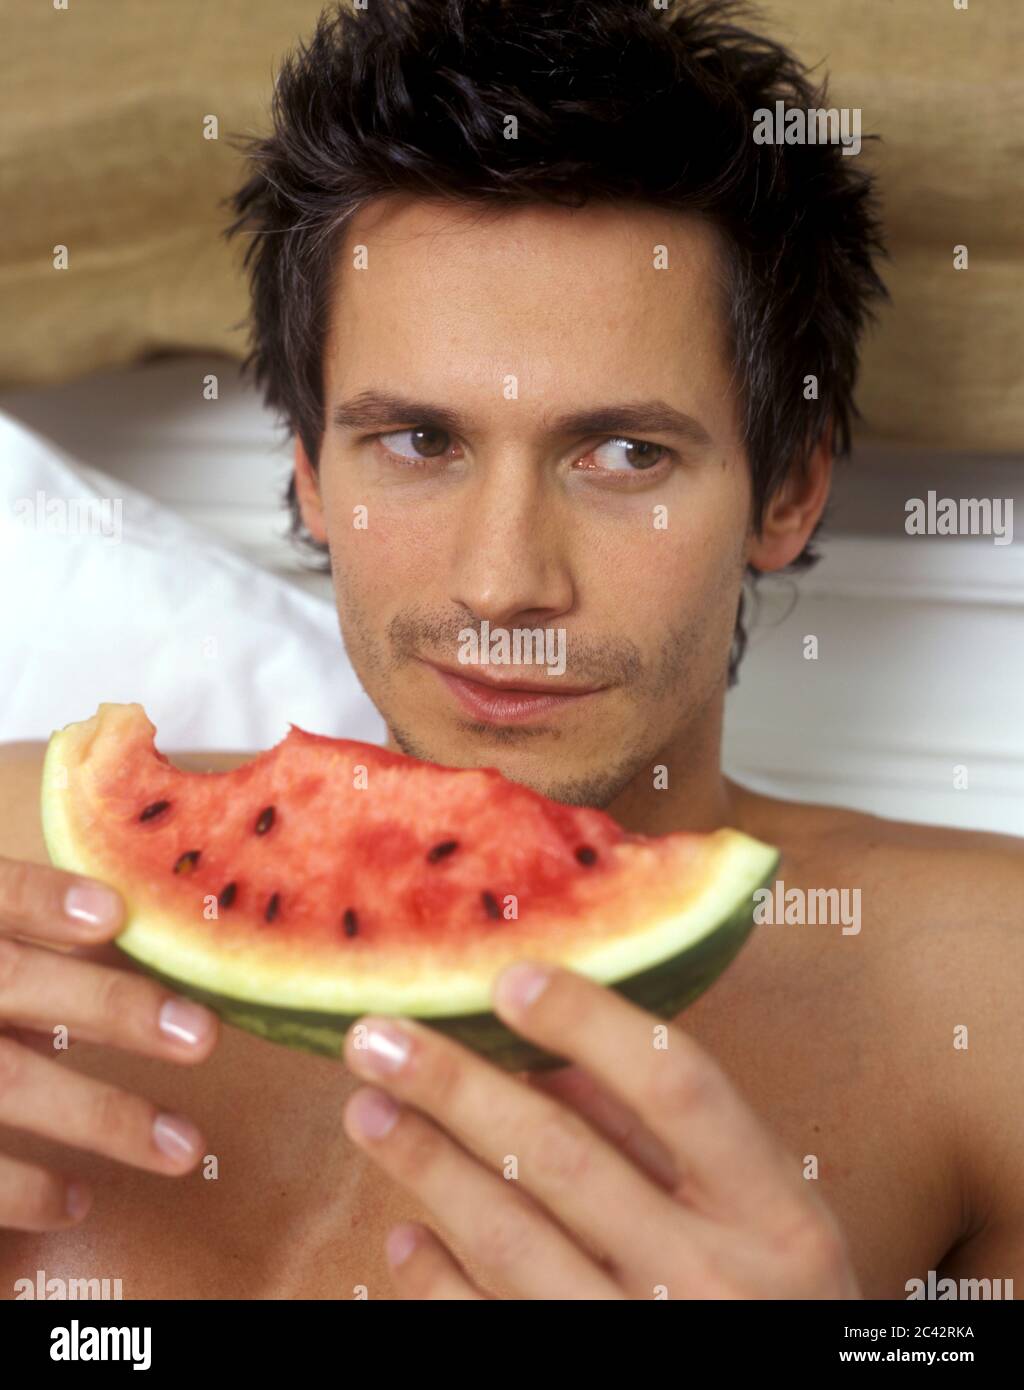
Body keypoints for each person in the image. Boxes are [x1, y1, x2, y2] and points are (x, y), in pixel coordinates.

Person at [1, 0, 1021, 1301]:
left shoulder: (990, 994)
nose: (502, 582)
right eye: (419, 443)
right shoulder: (26, 874)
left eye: (624, 453)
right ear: (312, 476)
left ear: (788, 492)